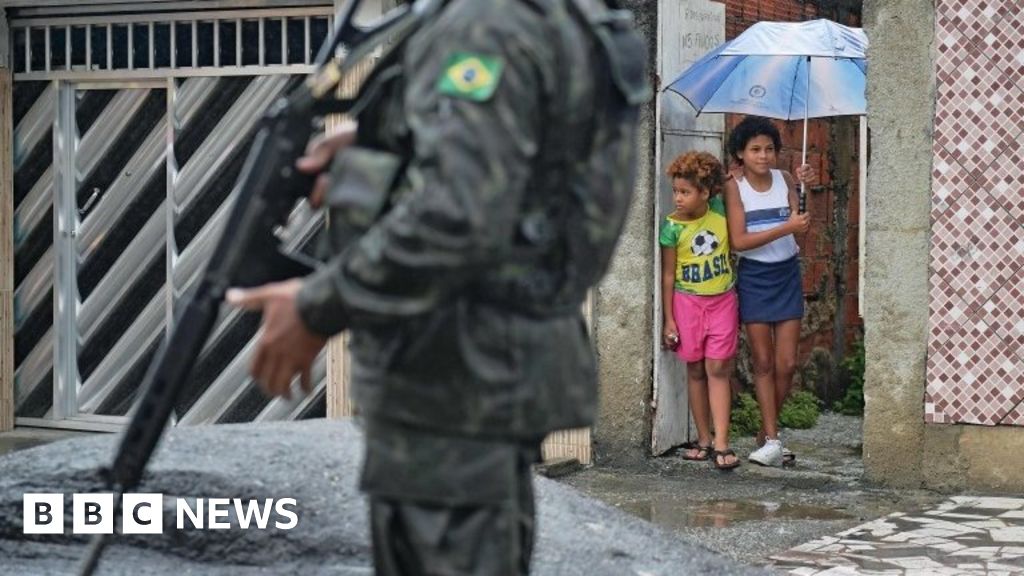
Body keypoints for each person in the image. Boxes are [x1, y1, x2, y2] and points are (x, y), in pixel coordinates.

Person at [226, 0, 650, 574]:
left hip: (452, 377)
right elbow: (517, 167)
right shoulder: (542, 16)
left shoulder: (484, 23)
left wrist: (316, 305)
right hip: (479, 373)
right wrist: (370, 140)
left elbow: (457, 216)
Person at [722, 116, 815, 468]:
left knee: (787, 363)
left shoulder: (786, 179)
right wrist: (785, 226)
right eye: (755, 149)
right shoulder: (734, 188)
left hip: (787, 273)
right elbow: (739, 241)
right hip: (755, 276)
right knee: (762, 362)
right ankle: (774, 438)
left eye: (769, 149)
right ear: (741, 154)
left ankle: (765, 433)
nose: (763, 156)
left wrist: (806, 194)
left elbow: (802, 229)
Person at [659, 151, 739, 470]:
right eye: (676, 191)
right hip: (687, 303)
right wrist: (669, 319)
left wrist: (727, 178)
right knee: (694, 369)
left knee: (717, 368)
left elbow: (729, 186)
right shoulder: (671, 228)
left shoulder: (719, 209)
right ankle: (704, 439)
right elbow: (668, 276)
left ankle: (722, 442)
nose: (678, 198)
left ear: (705, 193)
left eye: (685, 192)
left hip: (722, 301)